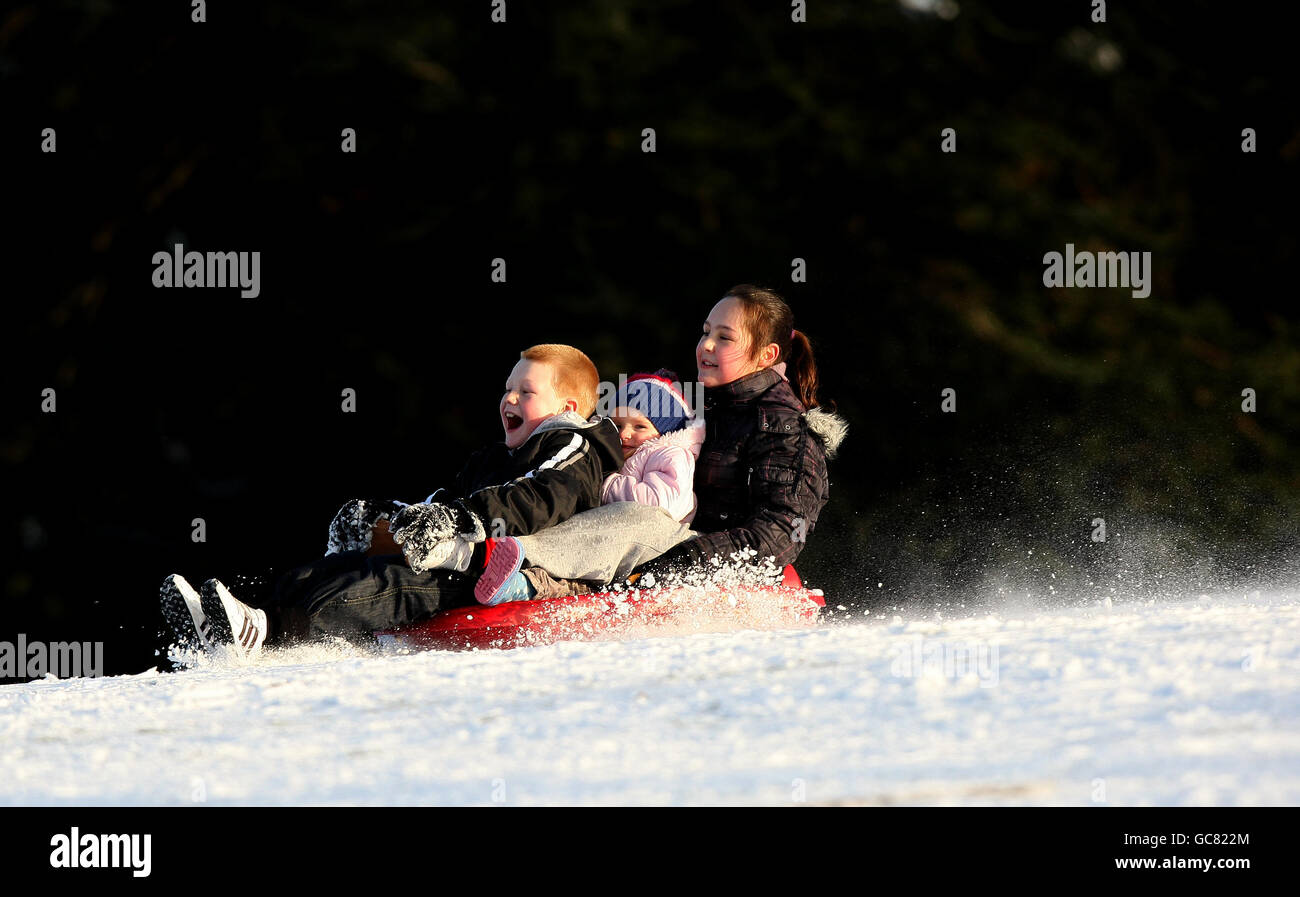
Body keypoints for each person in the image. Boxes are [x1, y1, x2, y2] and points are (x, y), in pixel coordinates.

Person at [158, 343, 623, 656]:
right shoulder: (495, 457)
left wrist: (456, 519)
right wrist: (389, 517)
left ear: (566, 409)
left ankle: (269, 633)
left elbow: (536, 501)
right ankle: (233, 619)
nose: (509, 399)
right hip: (455, 554)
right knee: (336, 568)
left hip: (496, 569)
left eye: (526, 392)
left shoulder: (574, 451)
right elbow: (443, 499)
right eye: (507, 389)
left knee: (383, 588)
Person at [473, 369, 706, 605]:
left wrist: (602, 485)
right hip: (612, 550)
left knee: (621, 522)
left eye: (639, 427)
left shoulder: (671, 454)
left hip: (655, 544)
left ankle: (522, 554)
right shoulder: (612, 455)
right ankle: (523, 584)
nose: (625, 434)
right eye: (618, 424)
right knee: (577, 530)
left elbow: (661, 503)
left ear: (663, 431)